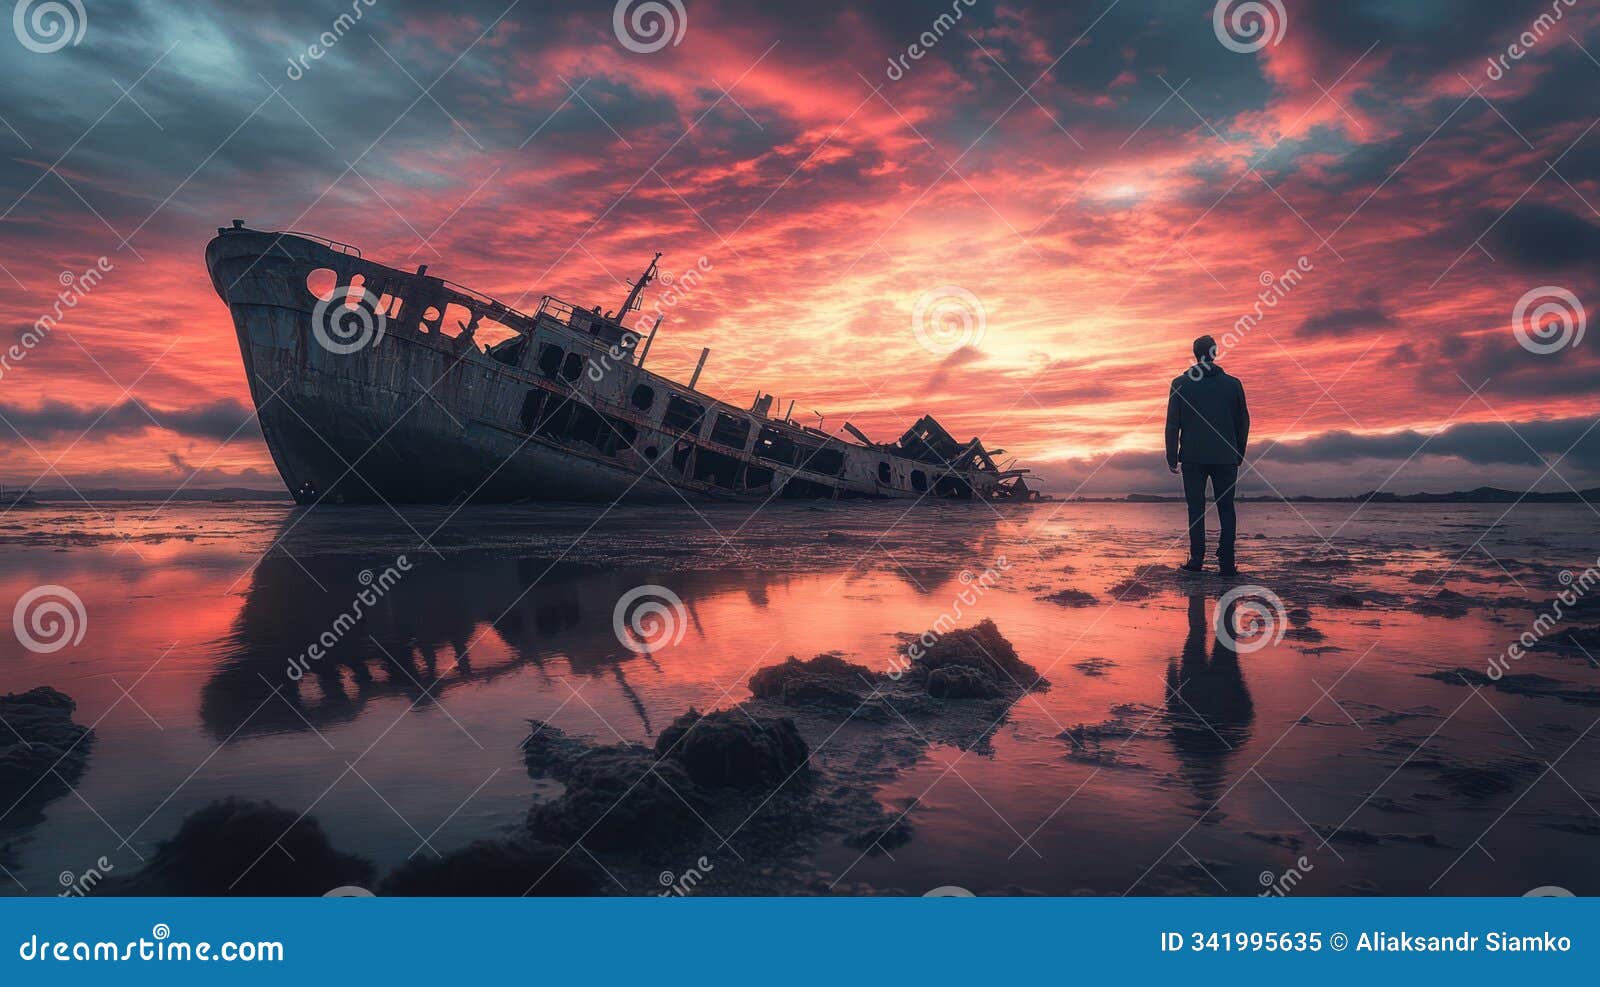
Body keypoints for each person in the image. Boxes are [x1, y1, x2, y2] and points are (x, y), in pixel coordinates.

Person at [1164, 334, 1249, 576]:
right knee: (1226, 507)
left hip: (1192, 456)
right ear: (1214, 353)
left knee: (1195, 508)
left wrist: (1171, 455)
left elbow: (1173, 424)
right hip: (1225, 456)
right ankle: (1227, 561)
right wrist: (1239, 451)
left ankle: (1197, 559)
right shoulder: (1233, 384)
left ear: (1195, 354)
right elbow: (1243, 421)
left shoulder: (1180, 384)